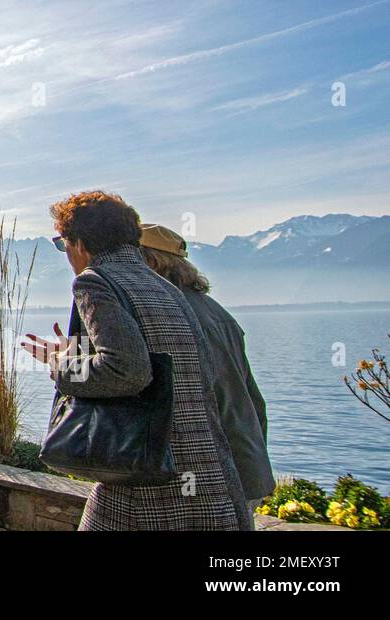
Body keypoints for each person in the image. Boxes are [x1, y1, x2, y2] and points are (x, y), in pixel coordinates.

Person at [21, 191, 251, 530]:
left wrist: (59, 365)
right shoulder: (168, 289)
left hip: (143, 477)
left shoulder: (94, 281)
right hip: (208, 475)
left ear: (81, 243)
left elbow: (126, 370)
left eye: (62, 242)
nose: (66, 253)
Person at [139, 223, 275, 509]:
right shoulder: (216, 311)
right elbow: (251, 398)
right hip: (245, 463)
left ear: (148, 262)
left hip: (209, 471)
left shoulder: (168, 315)